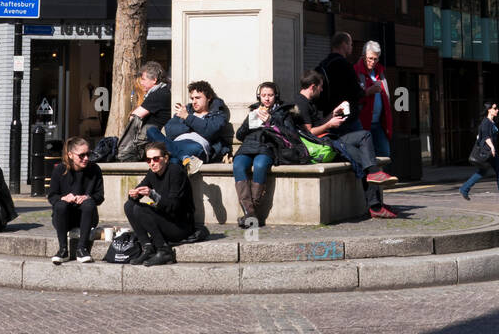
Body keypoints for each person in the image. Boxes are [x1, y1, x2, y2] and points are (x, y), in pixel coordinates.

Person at [292, 70, 397, 218]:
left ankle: (375, 186)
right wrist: (330, 124)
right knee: (364, 159)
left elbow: (318, 124)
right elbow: (309, 133)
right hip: (323, 145)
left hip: (329, 140)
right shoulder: (300, 104)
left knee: (365, 136)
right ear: (312, 86)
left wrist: (332, 114)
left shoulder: (308, 102)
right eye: (320, 87)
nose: (322, 90)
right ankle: (375, 205)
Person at [123, 140, 196, 265]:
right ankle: (148, 248)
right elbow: (136, 194)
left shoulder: (175, 172)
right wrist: (134, 195)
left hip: (180, 225)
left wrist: (152, 194)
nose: (152, 163)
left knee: (141, 210)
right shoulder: (152, 173)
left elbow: (174, 206)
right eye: (148, 160)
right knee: (129, 206)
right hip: (165, 219)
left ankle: (164, 251)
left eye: (156, 159)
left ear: (165, 158)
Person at [146, 80, 231, 173]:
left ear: (209, 97)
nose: (194, 102)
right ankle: (185, 158)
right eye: (192, 98)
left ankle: (181, 157)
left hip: (197, 145)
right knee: (151, 130)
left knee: (173, 161)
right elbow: (169, 130)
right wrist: (194, 125)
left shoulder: (217, 114)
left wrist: (187, 118)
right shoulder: (186, 110)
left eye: (198, 98)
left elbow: (210, 131)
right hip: (175, 144)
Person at [47, 135, 105, 264]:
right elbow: (52, 196)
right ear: (70, 155)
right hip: (64, 218)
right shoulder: (60, 170)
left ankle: (82, 249)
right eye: (82, 155)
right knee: (61, 205)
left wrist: (87, 197)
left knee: (89, 203)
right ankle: (63, 250)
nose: (86, 158)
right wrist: (64, 198)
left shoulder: (94, 169)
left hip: (87, 217)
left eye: (88, 154)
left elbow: (100, 196)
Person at [233, 81, 282, 227]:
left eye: (270, 95)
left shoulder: (281, 112)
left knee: (260, 165)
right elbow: (239, 135)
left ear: (276, 96)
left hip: (266, 147)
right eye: (263, 95)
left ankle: (250, 214)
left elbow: (288, 135)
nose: (266, 99)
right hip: (247, 147)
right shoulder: (253, 111)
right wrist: (249, 121)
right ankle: (251, 213)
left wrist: (271, 122)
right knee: (238, 165)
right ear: (259, 96)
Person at [116, 61, 172, 163]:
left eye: (143, 79)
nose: (141, 83)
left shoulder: (158, 94)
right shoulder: (162, 91)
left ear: (154, 80)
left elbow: (135, 116)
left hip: (147, 141)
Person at [460, 101, 499, 201]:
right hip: (488, 151)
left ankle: (465, 189)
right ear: (489, 110)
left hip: (489, 151)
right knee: (498, 170)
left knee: (485, 172)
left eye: (497, 108)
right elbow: (486, 137)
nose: (497, 110)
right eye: (495, 108)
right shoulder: (486, 122)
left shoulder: (491, 122)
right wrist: (492, 148)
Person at [354, 40, 393, 159]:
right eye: (369, 58)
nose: (372, 62)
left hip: (380, 122)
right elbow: (353, 97)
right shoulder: (355, 71)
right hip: (363, 122)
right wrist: (369, 91)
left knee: (385, 155)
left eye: (375, 59)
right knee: (365, 157)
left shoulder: (380, 71)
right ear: (363, 56)